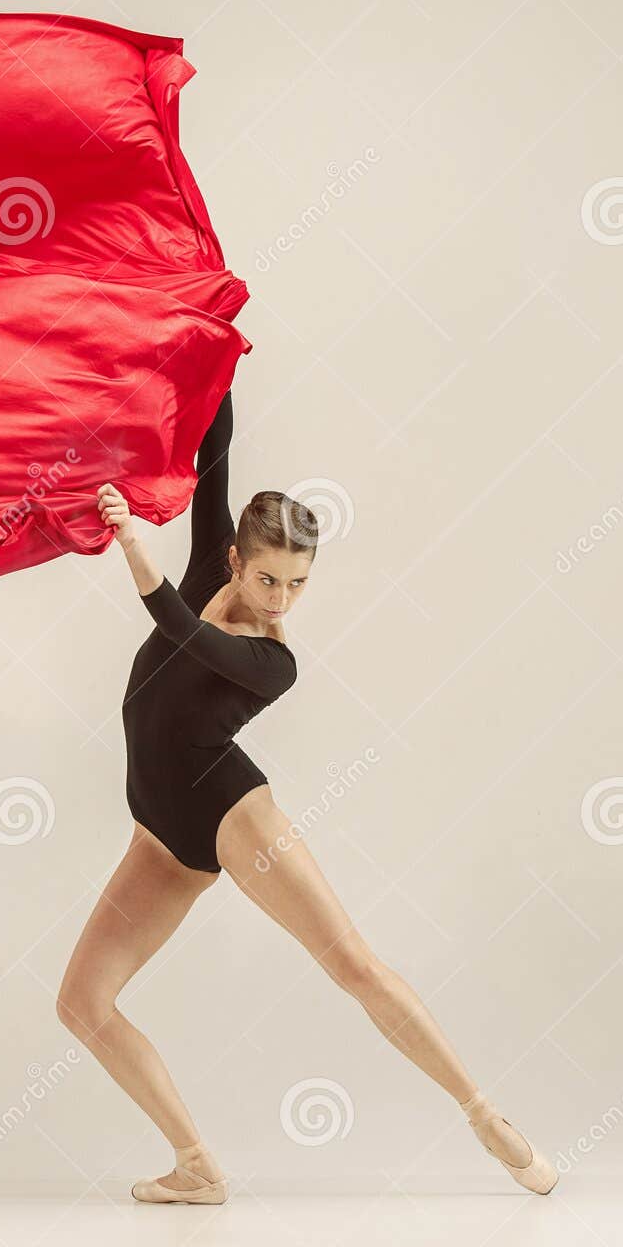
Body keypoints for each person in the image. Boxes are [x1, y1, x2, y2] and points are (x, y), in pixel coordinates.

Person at [55, 390, 556, 1204]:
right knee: (81, 1003)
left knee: (351, 964)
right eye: (268, 577)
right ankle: (195, 1165)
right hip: (159, 831)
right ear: (234, 560)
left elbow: (183, 630)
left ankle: (481, 1112)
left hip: (231, 812)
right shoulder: (211, 557)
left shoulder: (272, 663)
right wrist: (210, 343)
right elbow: (212, 452)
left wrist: (128, 540)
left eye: (297, 583)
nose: (282, 599)